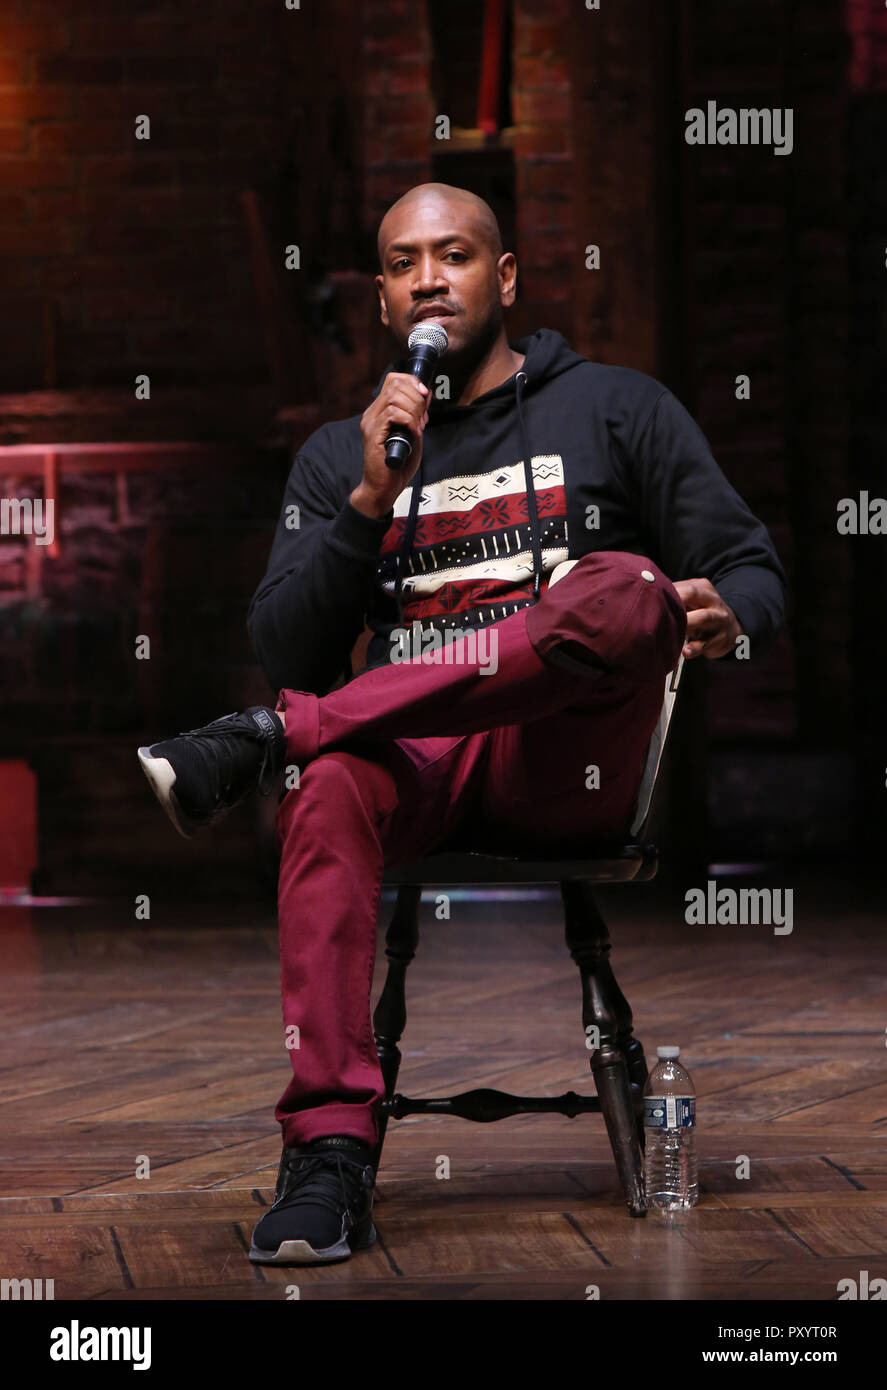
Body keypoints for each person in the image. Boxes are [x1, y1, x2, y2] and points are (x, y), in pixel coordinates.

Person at [137, 183, 786, 1266]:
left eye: (454, 254)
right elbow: (291, 648)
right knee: (329, 781)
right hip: (419, 764)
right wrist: (363, 501)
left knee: (624, 585)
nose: (429, 277)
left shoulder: (618, 409)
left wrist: (731, 617)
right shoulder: (343, 455)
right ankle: (331, 1156)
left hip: (566, 761)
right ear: (387, 298)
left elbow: (753, 572)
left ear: (507, 277)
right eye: (402, 262)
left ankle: (264, 737)